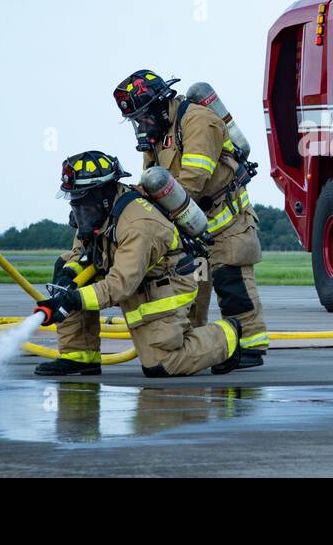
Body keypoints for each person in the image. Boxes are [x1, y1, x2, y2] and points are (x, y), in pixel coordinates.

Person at [32, 151, 242, 377]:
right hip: (134, 277)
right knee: (63, 266)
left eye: (83, 201)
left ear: (103, 195)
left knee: (161, 365)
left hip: (166, 284)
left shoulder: (138, 224)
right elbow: (82, 253)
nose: (78, 208)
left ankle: (227, 336)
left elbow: (121, 284)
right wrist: (67, 276)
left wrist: (72, 299)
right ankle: (79, 357)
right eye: (75, 200)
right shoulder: (97, 213)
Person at [112, 70, 268, 371]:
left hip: (227, 224)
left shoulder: (198, 121)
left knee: (232, 284)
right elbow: (152, 182)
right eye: (136, 120)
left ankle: (249, 347)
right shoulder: (157, 135)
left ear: (159, 105)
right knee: (194, 289)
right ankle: (204, 346)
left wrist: (160, 213)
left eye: (143, 117)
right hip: (191, 224)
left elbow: (194, 180)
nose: (140, 125)